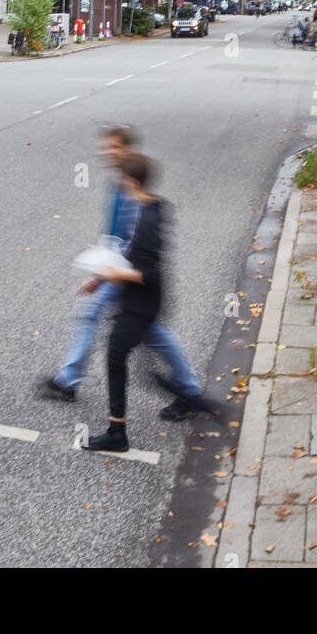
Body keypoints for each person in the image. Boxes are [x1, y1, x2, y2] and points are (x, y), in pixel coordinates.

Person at [38, 126, 208, 421]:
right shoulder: (120, 183)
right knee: (150, 331)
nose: (107, 153)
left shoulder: (131, 189)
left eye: (114, 148)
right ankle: (188, 390)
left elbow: (134, 243)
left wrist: (104, 274)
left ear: (129, 151)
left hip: (126, 271)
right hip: (118, 266)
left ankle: (71, 382)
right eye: (105, 148)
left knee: (112, 320)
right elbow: (116, 232)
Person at [82, 153, 215, 454]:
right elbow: (132, 252)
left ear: (132, 181)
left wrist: (117, 273)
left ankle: (118, 433)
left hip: (142, 302)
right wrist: (101, 277)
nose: (119, 187)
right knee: (140, 354)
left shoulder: (148, 216)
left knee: (116, 357)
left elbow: (151, 272)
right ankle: (188, 396)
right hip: (137, 301)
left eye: (122, 182)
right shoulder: (149, 206)